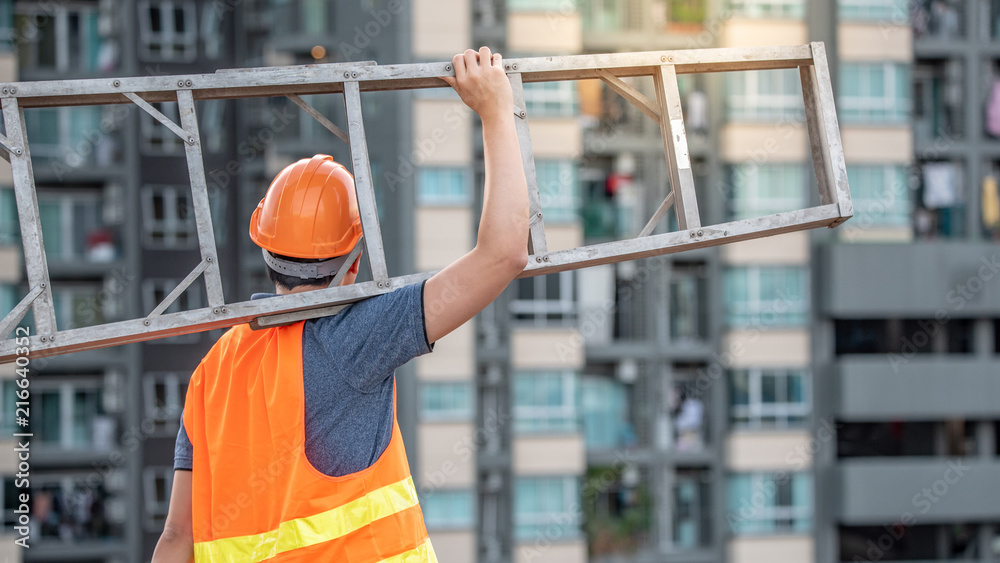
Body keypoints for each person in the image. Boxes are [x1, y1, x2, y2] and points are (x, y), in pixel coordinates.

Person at [152, 46, 528, 562]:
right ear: (353, 261)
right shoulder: (355, 338)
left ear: (266, 250)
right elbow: (503, 254)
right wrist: (496, 112)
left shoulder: (212, 373)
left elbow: (177, 538)